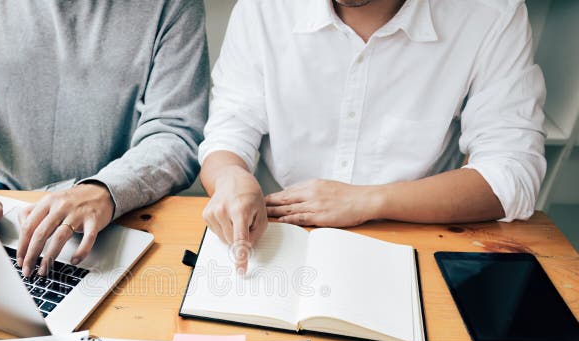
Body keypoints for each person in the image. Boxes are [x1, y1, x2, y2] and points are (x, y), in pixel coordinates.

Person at [199, 0, 546, 272]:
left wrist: (367, 200)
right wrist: (231, 177)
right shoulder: (261, 9)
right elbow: (228, 130)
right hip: (280, 235)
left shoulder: (490, 14)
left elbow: (512, 175)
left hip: (415, 237)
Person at [0, 0, 209, 278]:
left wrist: (105, 190)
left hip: (124, 208)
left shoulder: (173, 5)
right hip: (7, 205)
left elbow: (177, 131)